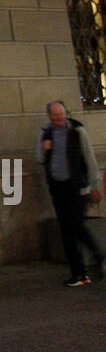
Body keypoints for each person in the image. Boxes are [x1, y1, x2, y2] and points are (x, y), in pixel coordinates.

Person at [37, 100, 105, 287]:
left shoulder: (77, 131)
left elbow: (89, 158)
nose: (59, 118)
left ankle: (99, 256)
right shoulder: (46, 133)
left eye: (61, 114)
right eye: (55, 115)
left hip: (77, 186)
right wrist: (45, 150)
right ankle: (79, 274)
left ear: (65, 113)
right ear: (50, 116)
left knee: (75, 224)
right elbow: (40, 158)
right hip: (58, 188)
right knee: (66, 230)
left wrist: (94, 185)